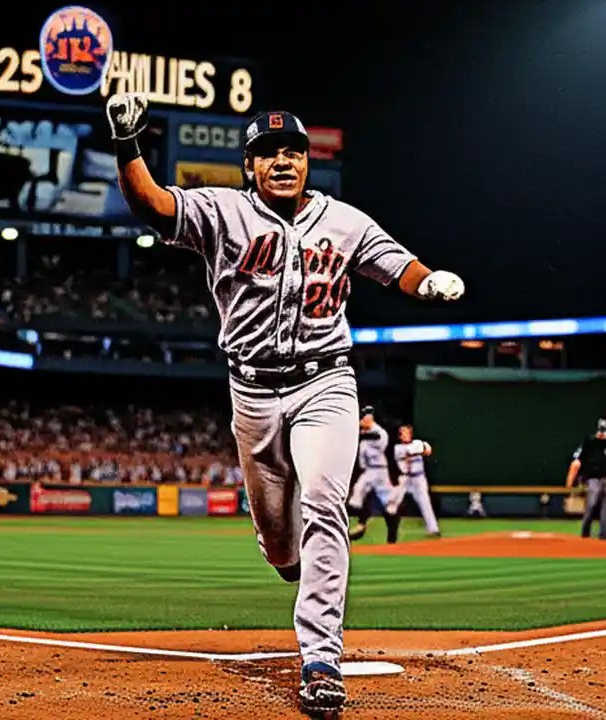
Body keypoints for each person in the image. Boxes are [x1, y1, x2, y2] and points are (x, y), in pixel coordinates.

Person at [106, 93, 465, 718]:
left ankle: (321, 659)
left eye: (292, 152)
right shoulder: (220, 213)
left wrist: (425, 281)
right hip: (251, 391)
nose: (281, 161)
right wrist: (128, 145)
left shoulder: (345, 221)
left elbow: (397, 264)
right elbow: (153, 205)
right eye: (267, 153)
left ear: (307, 162)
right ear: (249, 166)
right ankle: (289, 557)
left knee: (326, 501)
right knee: (279, 544)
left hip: (326, 382)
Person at [565, 417, 606, 540]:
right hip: (593, 480)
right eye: (601, 430)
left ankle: (604, 536)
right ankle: (585, 532)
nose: (602, 433)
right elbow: (577, 463)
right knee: (591, 505)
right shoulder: (590, 442)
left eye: (604, 430)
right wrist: (570, 481)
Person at [347, 406, 401, 544]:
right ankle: (361, 524)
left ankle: (391, 536)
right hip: (369, 471)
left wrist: (356, 430)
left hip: (380, 471)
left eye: (366, 416)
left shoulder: (378, 431)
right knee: (356, 496)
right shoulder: (364, 432)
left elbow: (373, 436)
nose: (364, 418)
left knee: (389, 504)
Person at [392, 424, 441, 538]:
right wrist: (420, 449)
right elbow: (409, 452)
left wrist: (422, 448)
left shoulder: (417, 443)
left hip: (418, 478)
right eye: (402, 432)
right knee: (393, 504)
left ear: (410, 434)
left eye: (406, 432)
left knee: (425, 502)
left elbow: (428, 450)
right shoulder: (398, 448)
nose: (404, 434)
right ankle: (392, 530)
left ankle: (433, 529)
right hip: (404, 479)